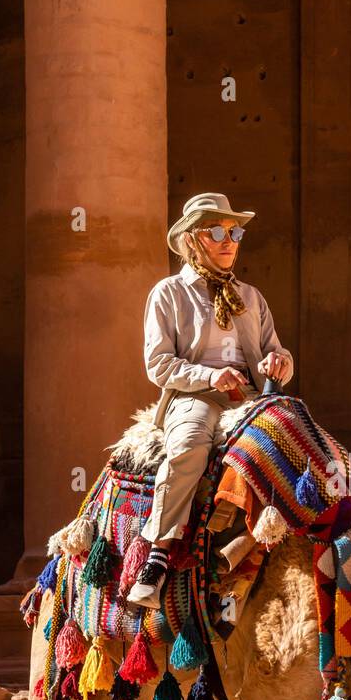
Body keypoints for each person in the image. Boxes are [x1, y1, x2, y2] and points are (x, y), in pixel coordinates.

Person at [127, 192, 294, 609]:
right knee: (188, 446)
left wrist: (281, 362)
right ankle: (159, 554)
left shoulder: (252, 297)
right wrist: (209, 375)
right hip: (194, 396)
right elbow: (158, 364)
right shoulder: (168, 293)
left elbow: (276, 351)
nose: (229, 240)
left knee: (301, 440)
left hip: (251, 397)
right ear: (192, 240)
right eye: (217, 231)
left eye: (235, 232)